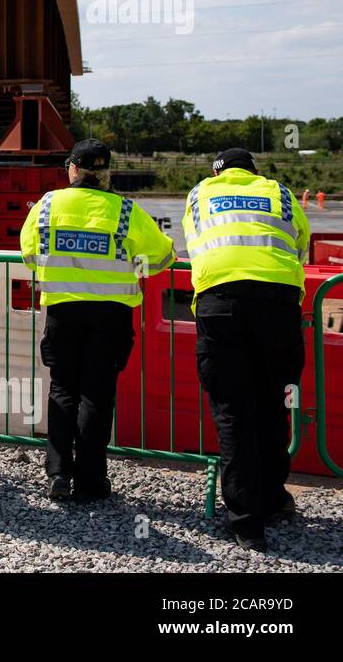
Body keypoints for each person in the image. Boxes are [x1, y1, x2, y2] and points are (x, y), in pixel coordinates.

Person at [20, 138, 174, 502]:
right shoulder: (125, 211)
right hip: (111, 315)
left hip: (63, 311)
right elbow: (161, 257)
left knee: (62, 391)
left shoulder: (47, 205)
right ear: (105, 174)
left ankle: (58, 474)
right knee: (96, 396)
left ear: (72, 169)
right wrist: (132, 266)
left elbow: (29, 254)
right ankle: (91, 481)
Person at [183, 147, 310, 552]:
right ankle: (274, 498)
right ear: (255, 171)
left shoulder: (200, 194)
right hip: (278, 304)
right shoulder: (282, 194)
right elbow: (300, 242)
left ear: (216, 171)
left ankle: (246, 523)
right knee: (275, 401)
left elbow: (194, 239)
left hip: (221, 304)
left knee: (233, 411)